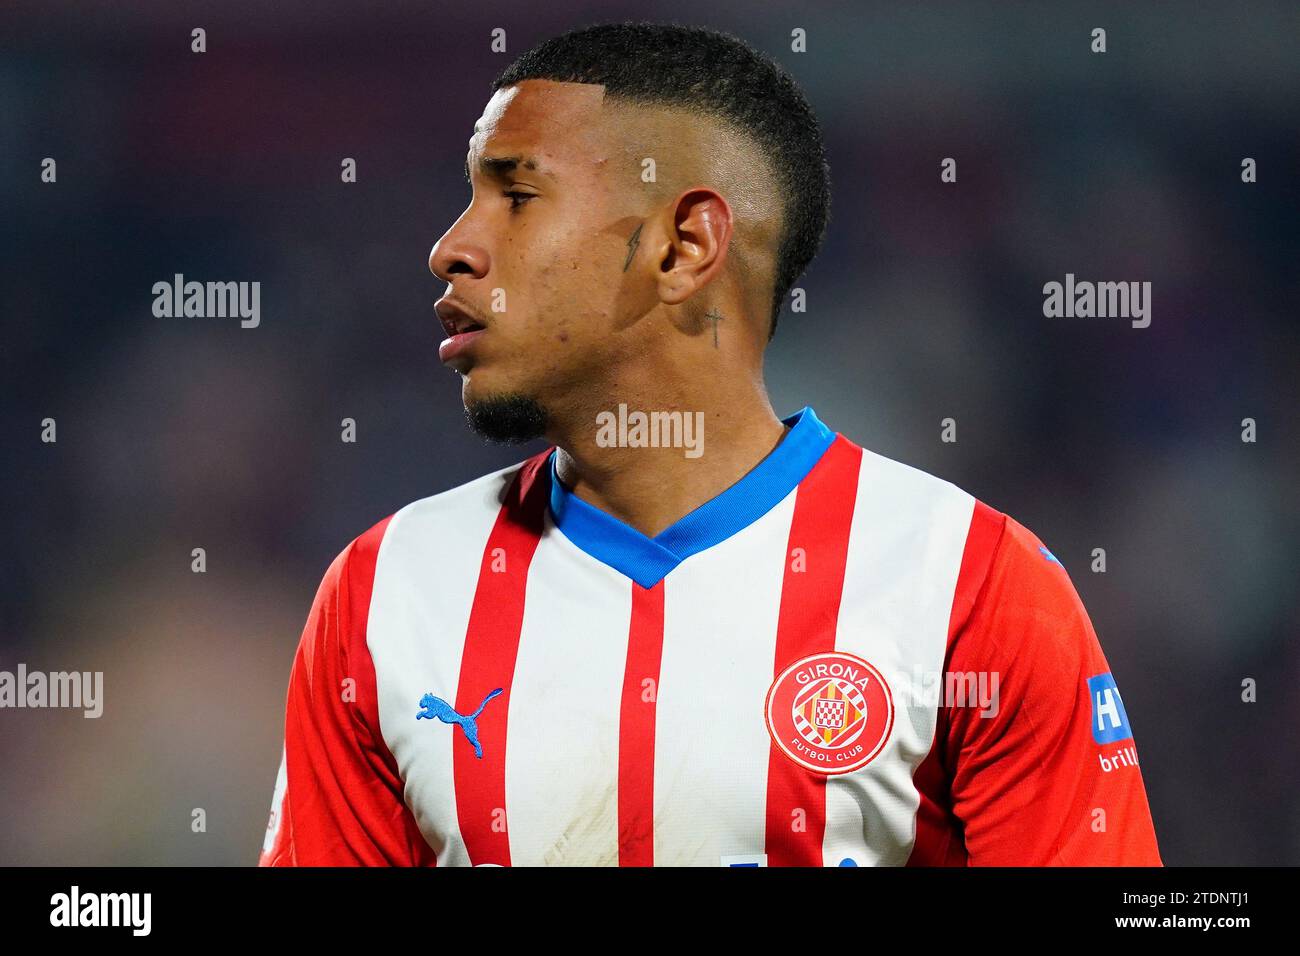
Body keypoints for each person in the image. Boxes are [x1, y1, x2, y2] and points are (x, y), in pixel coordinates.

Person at [259, 22, 1161, 867]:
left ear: (686, 245)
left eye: (517, 196)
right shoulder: (386, 594)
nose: (451, 247)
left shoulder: (971, 584)